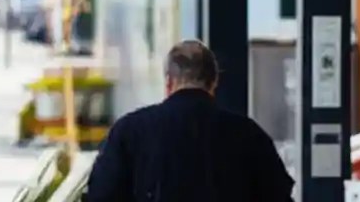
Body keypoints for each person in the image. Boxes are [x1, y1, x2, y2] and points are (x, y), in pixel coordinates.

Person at [85, 40, 294, 202]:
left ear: (168, 82)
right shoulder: (248, 135)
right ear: (213, 83)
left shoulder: (129, 131)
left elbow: (101, 195)